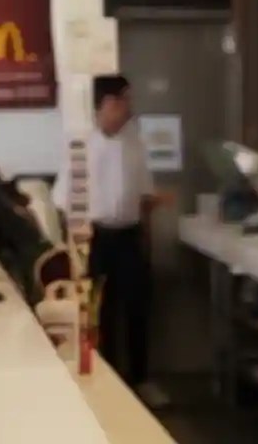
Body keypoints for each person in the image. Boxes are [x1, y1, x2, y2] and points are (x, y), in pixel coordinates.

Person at [53, 74, 169, 408]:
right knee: (101, 314)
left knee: (138, 309)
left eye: (129, 100)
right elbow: (65, 204)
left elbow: (145, 197)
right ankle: (109, 382)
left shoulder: (136, 144)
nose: (127, 107)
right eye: (120, 101)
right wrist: (75, 250)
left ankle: (141, 380)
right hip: (96, 239)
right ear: (103, 105)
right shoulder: (81, 146)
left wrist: (147, 242)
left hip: (130, 237)